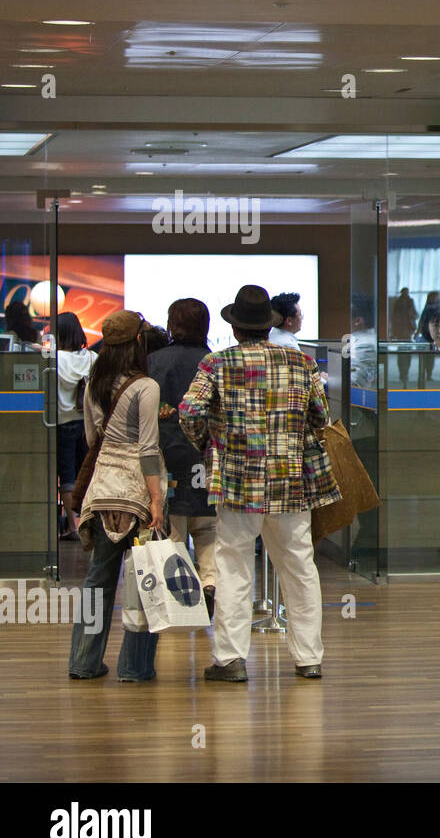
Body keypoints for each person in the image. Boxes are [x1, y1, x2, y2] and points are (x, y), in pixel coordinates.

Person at [180, 285, 340, 682]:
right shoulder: (300, 363)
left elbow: (189, 412)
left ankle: (230, 660)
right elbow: (322, 417)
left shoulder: (216, 364)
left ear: (235, 329)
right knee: (300, 568)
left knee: (233, 569)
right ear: (269, 327)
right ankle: (308, 659)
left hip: (236, 483)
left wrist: (211, 443)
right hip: (290, 481)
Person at [67, 310, 165, 682]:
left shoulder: (95, 382)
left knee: (97, 580)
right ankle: (134, 667)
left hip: (102, 491)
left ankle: (83, 661)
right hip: (137, 494)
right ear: (137, 342)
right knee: (144, 580)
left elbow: (93, 438)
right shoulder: (146, 387)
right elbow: (148, 448)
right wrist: (156, 500)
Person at [149, 298, 218, 619]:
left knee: (173, 534)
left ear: (172, 324)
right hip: (209, 462)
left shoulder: (153, 363)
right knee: (208, 532)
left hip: (166, 461)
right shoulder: (215, 362)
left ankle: (179, 602)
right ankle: (210, 584)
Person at [55, 312, 96, 540]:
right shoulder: (92, 357)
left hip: (62, 421)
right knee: (87, 473)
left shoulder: (55, 357)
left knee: (68, 475)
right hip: (87, 423)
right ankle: (88, 523)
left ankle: (72, 526)